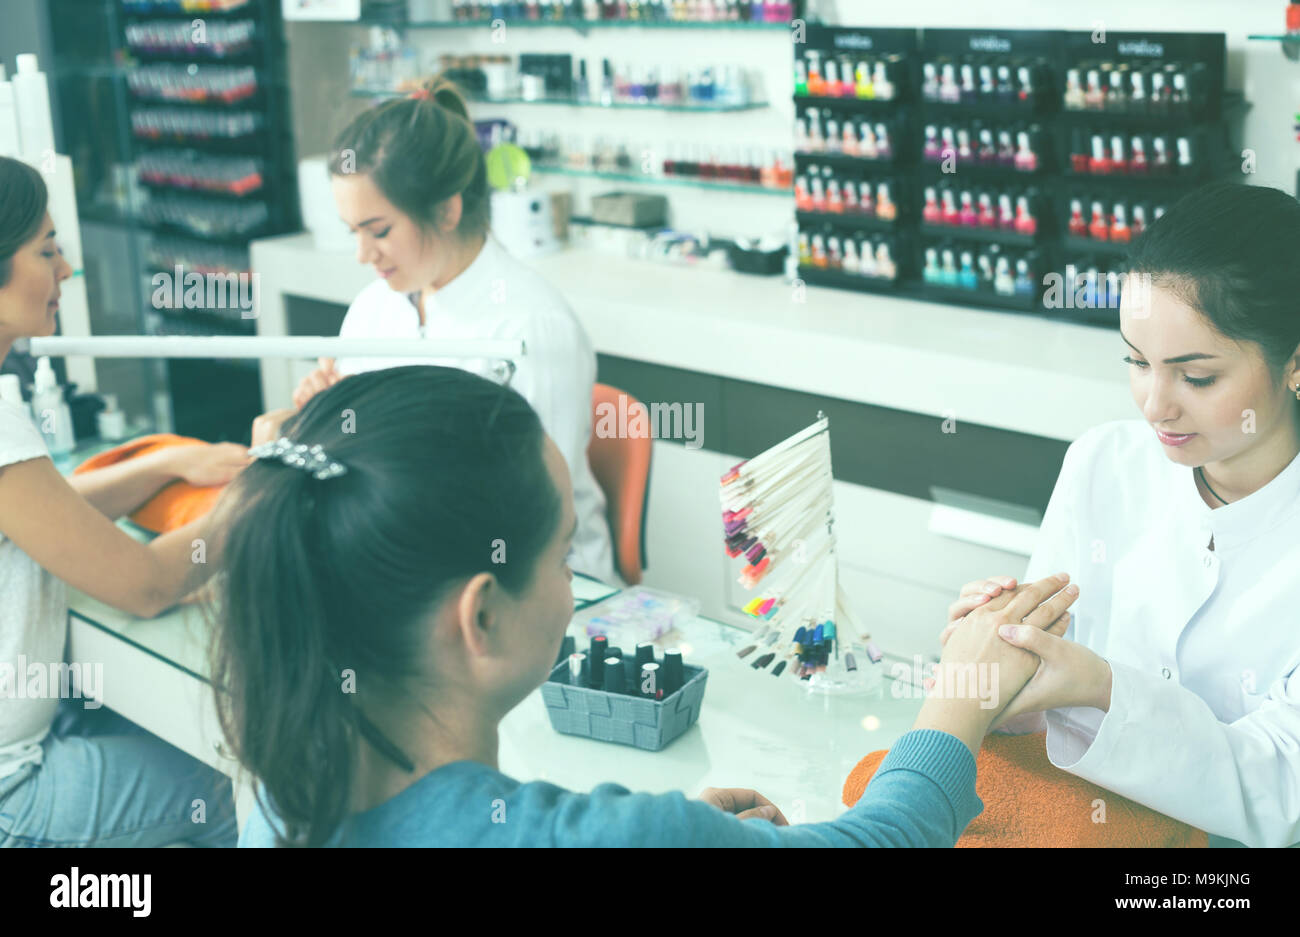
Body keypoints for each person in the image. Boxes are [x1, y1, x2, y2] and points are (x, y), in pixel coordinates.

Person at [218, 364, 1079, 847]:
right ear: (479, 619)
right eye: (563, 554)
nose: (578, 586)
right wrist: (960, 698)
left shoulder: (282, 806)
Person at [944, 182, 1300, 848]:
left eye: (1196, 378)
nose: (1154, 405)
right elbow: (1039, 711)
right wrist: (997, 658)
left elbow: (1284, 789)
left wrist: (1103, 691)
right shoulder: (1104, 461)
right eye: (1136, 362)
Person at [284, 76, 616, 584]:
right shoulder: (374, 309)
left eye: (379, 231)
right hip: (409, 561)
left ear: (446, 209)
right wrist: (327, 419)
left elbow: (536, 512)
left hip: (533, 585)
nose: (363, 255)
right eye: (353, 232)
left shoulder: (531, 326)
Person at [0, 155, 240, 847]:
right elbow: (145, 584)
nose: (66, 271)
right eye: (47, 251)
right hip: (14, 797)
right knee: (243, 785)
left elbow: (42, 513)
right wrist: (251, 501)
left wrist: (165, 462)